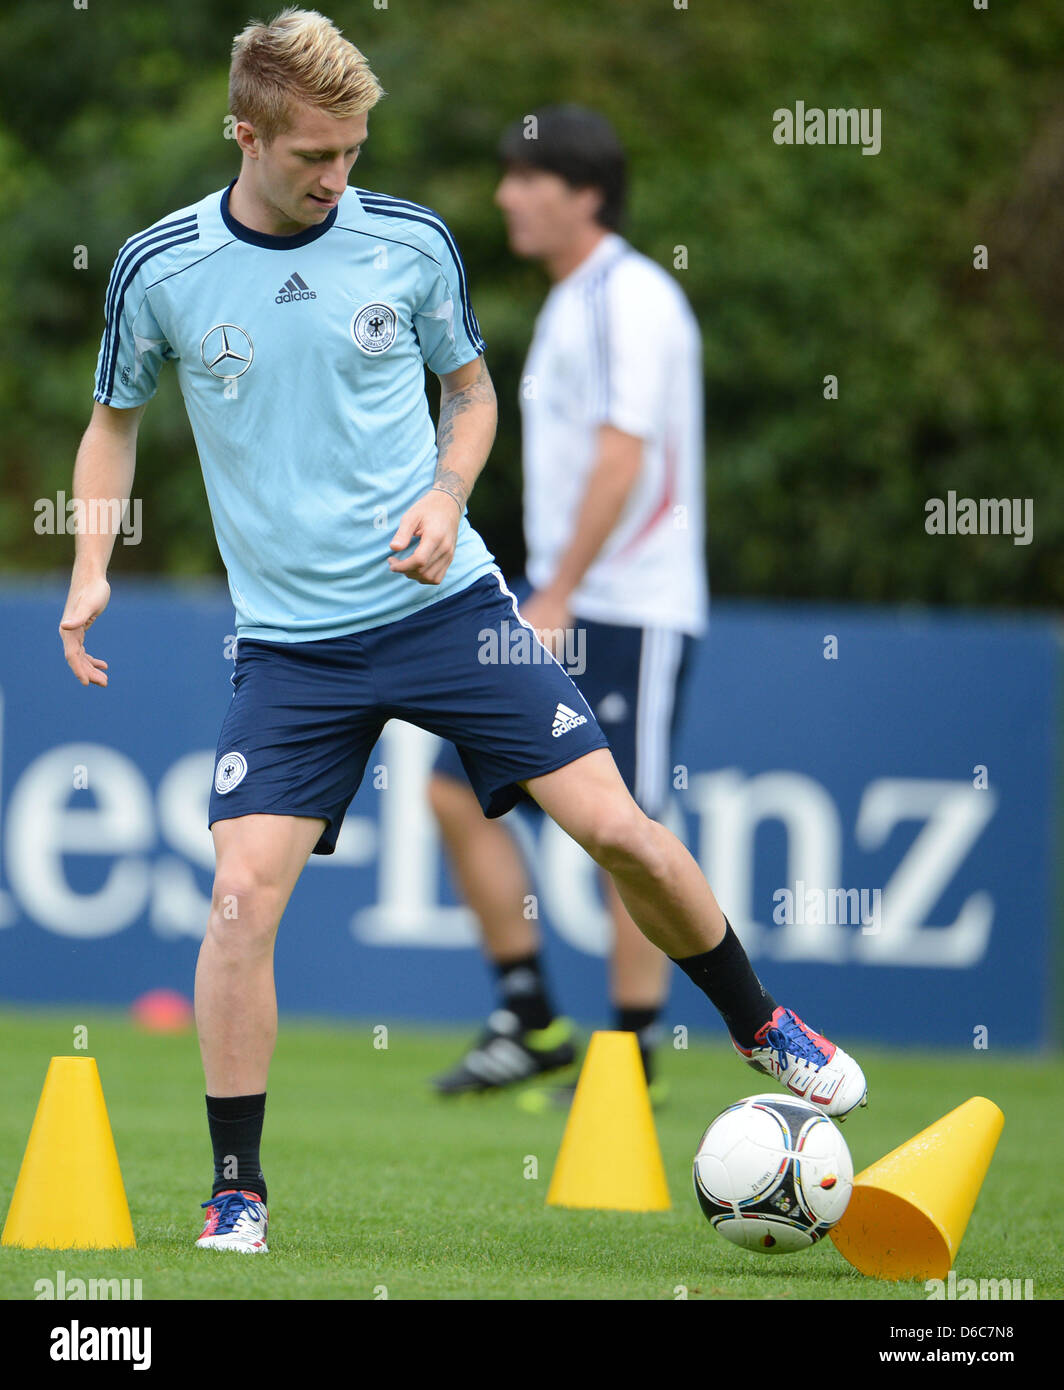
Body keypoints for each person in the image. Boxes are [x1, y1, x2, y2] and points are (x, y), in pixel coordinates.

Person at [59, 9, 866, 1256]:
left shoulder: (411, 242)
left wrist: (445, 494)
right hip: (289, 649)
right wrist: (91, 562)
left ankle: (761, 1021)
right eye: (313, 155)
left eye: (354, 151)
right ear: (246, 134)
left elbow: (471, 393)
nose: (339, 177)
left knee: (618, 830)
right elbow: (112, 421)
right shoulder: (159, 268)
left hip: (450, 611)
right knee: (235, 903)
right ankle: (237, 1189)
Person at [429, 107, 707, 1107]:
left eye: (524, 177)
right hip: (556, 602)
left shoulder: (627, 297)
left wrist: (554, 590)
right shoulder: (567, 302)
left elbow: (624, 456)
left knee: (618, 828)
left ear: (582, 192)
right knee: (453, 792)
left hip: (623, 608)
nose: (505, 195)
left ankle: (628, 1059)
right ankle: (528, 1018)